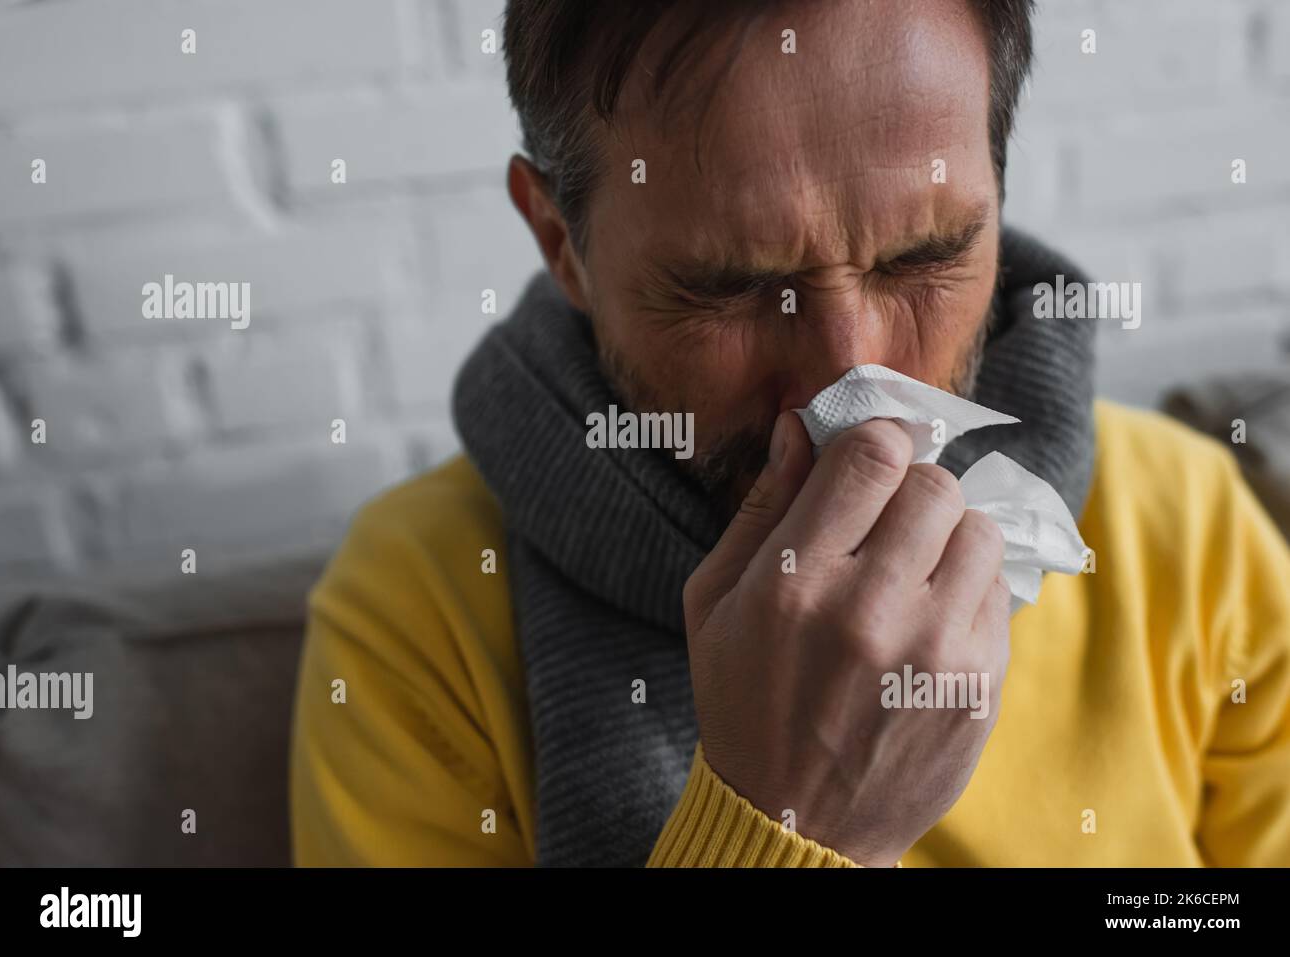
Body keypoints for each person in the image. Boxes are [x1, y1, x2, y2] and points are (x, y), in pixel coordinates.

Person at [289, 0, 1290, 867]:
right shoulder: (413, 614)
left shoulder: (1187, 525)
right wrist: (791, 830)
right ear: (563, 246)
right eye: (729, 287)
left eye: (924, 257)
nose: (849, 381)